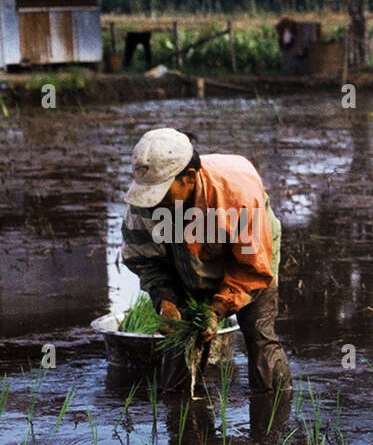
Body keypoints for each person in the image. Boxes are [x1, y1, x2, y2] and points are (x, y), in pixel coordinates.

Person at [121, 127, 291, 395]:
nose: (153, 205)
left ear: (189, 178)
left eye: (163, 196)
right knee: (181, 342)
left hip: (251, 257)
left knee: (260, 336)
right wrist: (165, 301)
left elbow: (251, 268)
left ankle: (273, 416)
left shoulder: (237, 195)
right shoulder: (145, 201)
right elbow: (145, 261)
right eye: (150, 196)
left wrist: (216, 309)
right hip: (183, 257)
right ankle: (181, 419)